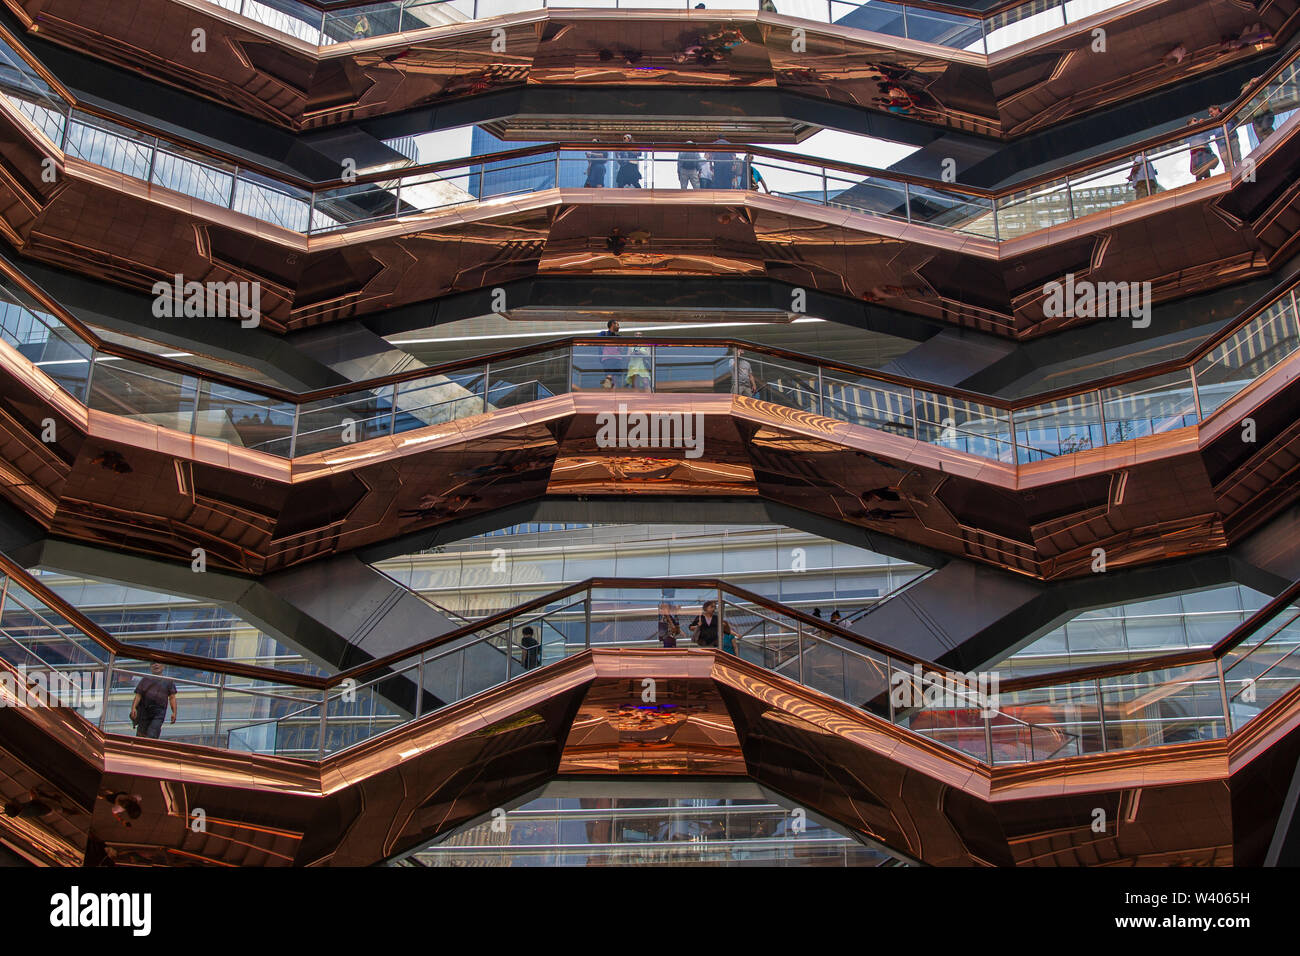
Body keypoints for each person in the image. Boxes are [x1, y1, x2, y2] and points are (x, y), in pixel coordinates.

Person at [131, 661, 177, 739]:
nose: (155, 665)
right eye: (153, 663)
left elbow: (172, 698)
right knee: (141, 735)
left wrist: (174, 713)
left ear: (163, 666)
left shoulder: (168, 681)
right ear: (150, 667)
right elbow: (138, 695)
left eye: (158, 663)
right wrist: (133, 708)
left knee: (152, 734)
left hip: (159, 712)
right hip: (145, 711)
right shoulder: (145, 680)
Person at [598, 319, 624, 386]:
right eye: (617, 324)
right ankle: (607, 388)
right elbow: (598, 343)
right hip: (608, 358)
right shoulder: (603, 334)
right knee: (609, 375)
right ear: (612, 324)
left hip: (617, 359)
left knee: (615, 378)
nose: (619, 326)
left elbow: (621, 350)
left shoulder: (619, 337)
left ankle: (613, 392)